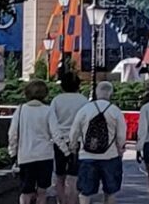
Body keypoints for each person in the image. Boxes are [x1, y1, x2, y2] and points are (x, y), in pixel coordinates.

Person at [66, 81, 127, 204]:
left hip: (87, 156)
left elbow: (74, 132)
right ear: (111, 94)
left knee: (85, 192)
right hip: (110, 156)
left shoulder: (84, 110)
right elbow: (121, 135)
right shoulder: (115, 111)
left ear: (96, 93)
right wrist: (120, 149)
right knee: (110, 191)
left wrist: (73, 147)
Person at [9, 79, 58, 204]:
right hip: (45, 156)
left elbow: (13, 134)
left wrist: (12, 152)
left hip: (25, 156)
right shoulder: (48, 110)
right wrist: (66, 151)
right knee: (42, 191)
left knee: (25, 192)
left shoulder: (20, 110)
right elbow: (56, 134)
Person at [50, 70, 90, 204]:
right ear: (78, 86)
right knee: (74, 177)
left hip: (60, 142)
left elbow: (52, 123)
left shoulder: (56, 100)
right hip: (78, 143)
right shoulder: (84, 100)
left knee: (60, 176)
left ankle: (61, 201)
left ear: (62, 86)